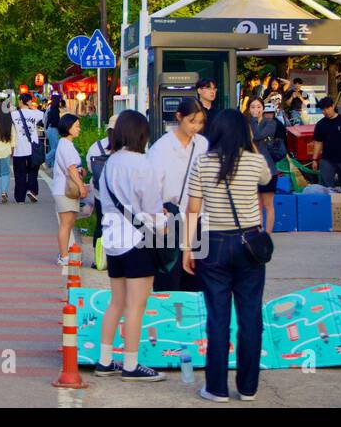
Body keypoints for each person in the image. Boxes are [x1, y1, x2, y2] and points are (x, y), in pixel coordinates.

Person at [182, 109, 270, 402]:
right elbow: (267, 177)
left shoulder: (202, 163)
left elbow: (192, 210)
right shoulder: (255, 160)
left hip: (214, 243)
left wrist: (188, 249)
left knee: (217, 317)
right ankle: (248, 388)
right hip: (249, 243)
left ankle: (216, 388)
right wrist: (251, 144)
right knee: (251, 316)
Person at [95, 110, 165, 382]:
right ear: (142, 134)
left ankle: (104, 360)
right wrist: (164, 224)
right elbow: (152, 206)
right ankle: (131, 364)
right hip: (137, 241)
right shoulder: (142, 164)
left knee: (117, 302)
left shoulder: (110, 162)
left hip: (113, 241)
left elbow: (103, 198)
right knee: (136, 305)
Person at [147, 98, 209, 290]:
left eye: (200, 122)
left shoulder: (203, 145)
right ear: (179, 117)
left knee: (195, 284)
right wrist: (159, 224)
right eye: (191, 121)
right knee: (169, 283)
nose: (196, 127)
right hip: (170, 223)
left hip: (197, 221)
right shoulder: (161, 148)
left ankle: (190, 320)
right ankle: (171, 320)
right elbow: (152, 190)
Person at [51, 113, 88, 264]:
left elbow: (73, 168)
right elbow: (71, 168)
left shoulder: (66, 144)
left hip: (66, 190)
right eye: (77, 126)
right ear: (68, 127)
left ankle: (64, 254)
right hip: (64, 190)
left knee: (69, 222)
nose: (79, 129)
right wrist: (81, 186)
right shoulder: (65, 145)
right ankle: (64, 256)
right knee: (66, 224)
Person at [249, 98, 286, 230]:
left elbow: (257, 136)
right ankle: (258, 232)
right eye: (252, 107)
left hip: (268, 169)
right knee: (257, 204)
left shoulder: (270, 123)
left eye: (258, 107)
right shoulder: (246, 123)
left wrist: (253, 122)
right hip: (252, 170)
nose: (255, 110)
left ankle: (268, 234)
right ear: (248, 109)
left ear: (263, 109)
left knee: (268, 204)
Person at [311, 96, 341, 192]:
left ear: (333, 106)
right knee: (327, 188)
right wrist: (314, 159)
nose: (326, 111)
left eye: (328, 108)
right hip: (327, 160)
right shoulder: (320, 124)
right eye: (323, 110)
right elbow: (318, 142)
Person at [11, 93, 45, 203]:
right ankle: (32, 191)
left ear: (21, 101)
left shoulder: (14, 114)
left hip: (19, 148)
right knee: (33, 171)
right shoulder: (36, 114)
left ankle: (20, 198)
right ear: (29, 101)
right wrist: (31, 106)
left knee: (20, 173)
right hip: (33, 148)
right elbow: (43, 117)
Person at [44, 93, 64, 174]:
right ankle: (46, 158)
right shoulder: (55, 110)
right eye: (59, 100)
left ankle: (51, 164)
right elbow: (55, 122)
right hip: (53, 129)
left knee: (52, 147)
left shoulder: (51, 108)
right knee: (55, 148)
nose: (60, 102)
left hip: (50, 129)